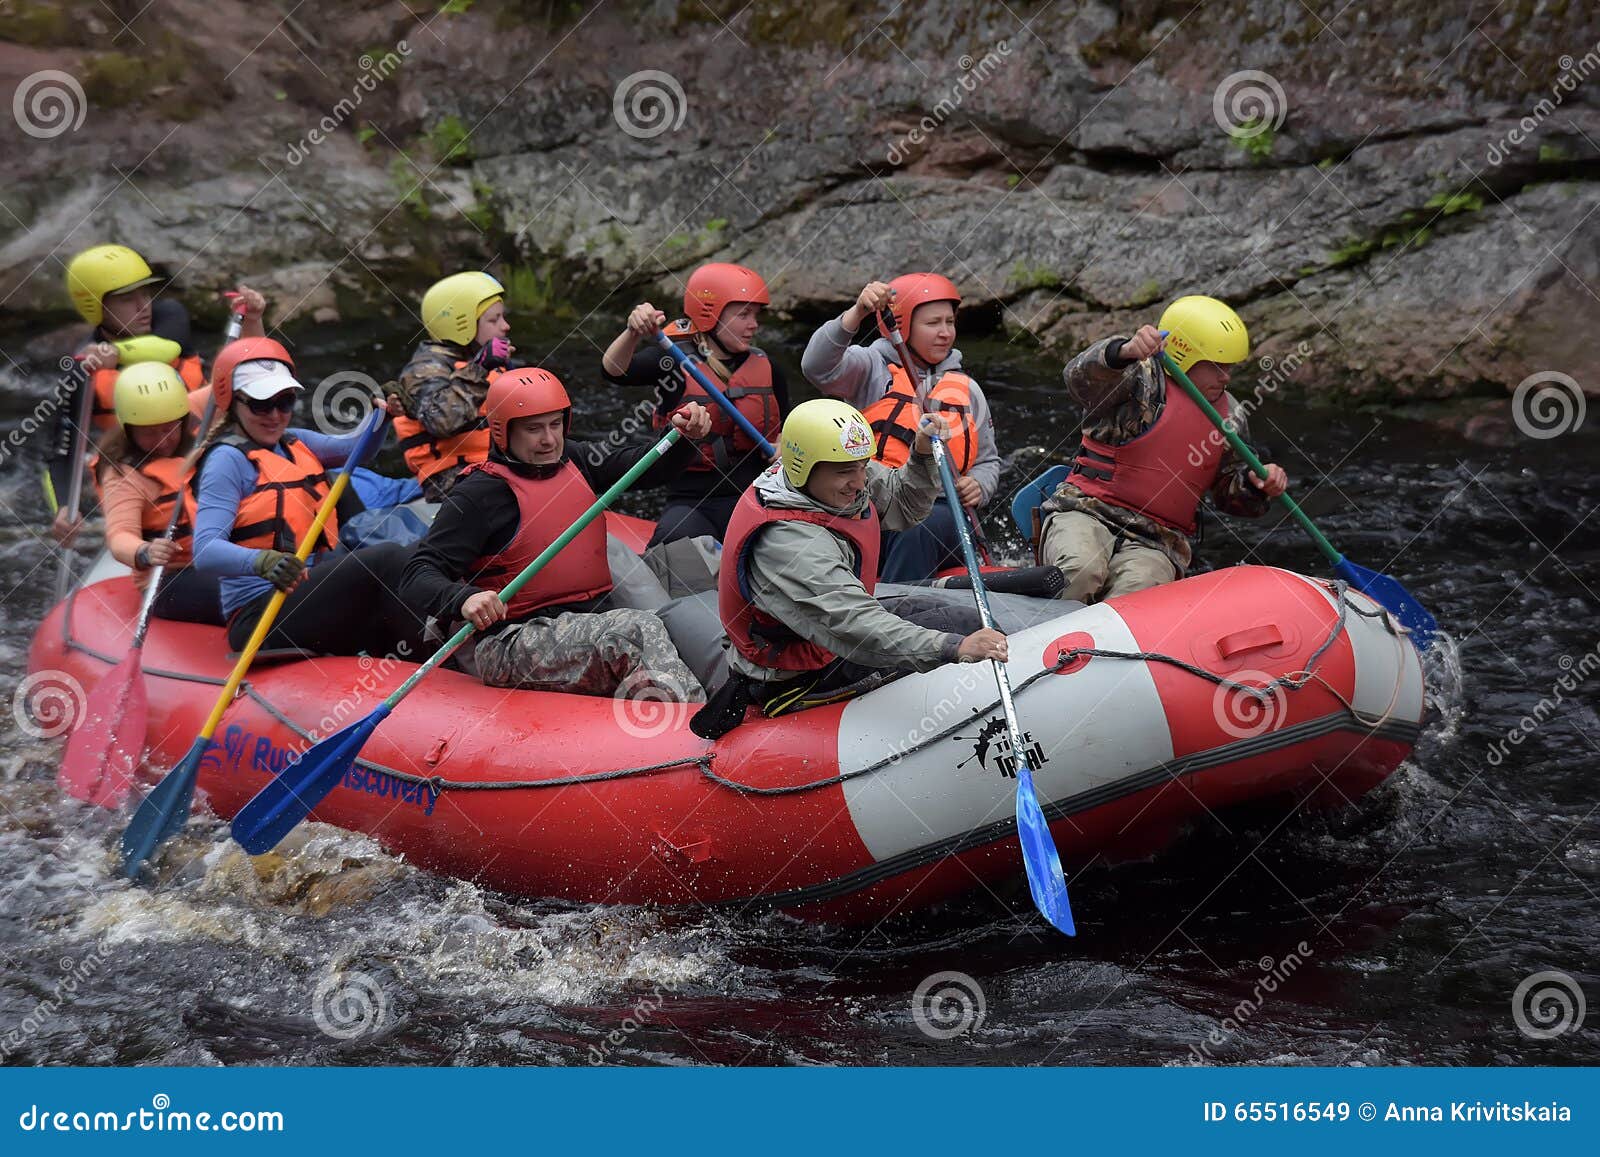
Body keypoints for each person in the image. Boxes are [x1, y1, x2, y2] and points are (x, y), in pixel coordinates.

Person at [691, 399, 1008, 739]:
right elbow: (854, 623)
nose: (859, 481)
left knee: (951, 615)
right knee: (960, 628)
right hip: (798, 677)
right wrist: (952, 648)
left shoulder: (825, 477)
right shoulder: (788, 544)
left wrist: (921, 455)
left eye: (861, 466)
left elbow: (903, 502)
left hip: (821, 642)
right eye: (845, 471)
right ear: (802, 466)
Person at [399, 367, 712, 699]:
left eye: (555, 425)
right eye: (533, 429)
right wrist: (464, 599)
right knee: (635, 631)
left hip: (588, 618)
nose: (549, 439)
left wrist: (683, 438)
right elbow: (417, 573)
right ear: (502, 432)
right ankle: (693, 732)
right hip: (513, 640)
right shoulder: (478, 495)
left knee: (684, 611)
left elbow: (643, 466)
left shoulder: (573, 459)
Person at [1038, 295, 1290, 603]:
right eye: (1215, 366)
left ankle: (1105, 648)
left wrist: (1256, 484)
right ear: (1183, 354)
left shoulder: (1232, 417)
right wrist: (1125, 351)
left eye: (1229, 367)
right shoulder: (1137, 378)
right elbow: (1078, 378)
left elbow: (1231, 495)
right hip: (1088, 510)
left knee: (1130, 599)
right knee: (1080, 573)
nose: (1226, 377)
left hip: (1158, 540)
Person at [190, 338, 422, 658]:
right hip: (259, 616)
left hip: (305, 593)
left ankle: (431, 657)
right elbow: (204, 551)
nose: (274, 414)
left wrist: (380, 413)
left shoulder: (294, 442)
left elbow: (357, 450)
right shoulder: (227, 460)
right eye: (261, 404)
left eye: (284, 401)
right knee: (386, 558)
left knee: (417, 553)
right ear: (232, 402)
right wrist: (261, 561)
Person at [51, 244, 265, 542]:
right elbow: (61, 452)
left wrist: (117, 353)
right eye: (127, 299)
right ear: (95, 307)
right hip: (143, 472)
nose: (143, 306)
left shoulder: (169, 317)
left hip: (205, 446)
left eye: (145, 294)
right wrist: (63, 507)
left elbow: (170, 347)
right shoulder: (83, 371)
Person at [800, 273, 1002, 582]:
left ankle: (904, 607)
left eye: (950, 322)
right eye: (933, 323)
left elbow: (987, 460)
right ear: (901, 325)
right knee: (907, 525)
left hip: (942, 512)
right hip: (878, 502)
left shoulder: (968, 389)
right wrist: (856, 314)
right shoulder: (870, 368)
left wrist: (979, 484)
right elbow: (816, 366)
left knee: (922, 526)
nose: (945, 333)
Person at [600, 263, 788, 545]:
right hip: (692, 501)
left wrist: (784, 445)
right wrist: (633, 332)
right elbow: (613, 371)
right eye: (743, 314)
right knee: (673, 546)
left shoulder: (768, 367)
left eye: (756, 314)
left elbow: (788, 423)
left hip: (754, 496)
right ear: (709, 314)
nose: (754, 324)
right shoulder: (672, 362)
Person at [93, 363, 224, 624]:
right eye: (149, 433)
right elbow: (120, 536)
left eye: (168, 429)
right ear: (129, 428)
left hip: (224, 559)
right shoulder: (122, 473)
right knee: (248, 590)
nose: (163, 440)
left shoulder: (188, 411)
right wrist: (145, 551)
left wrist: (252, 321)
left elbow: (233, 378)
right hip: (170, 579)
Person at [391, 271, 510, 501]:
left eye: (502, 317)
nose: (505, 326)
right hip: (452, 481)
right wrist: (480, 369)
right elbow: (440, 420)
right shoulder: (424, 370)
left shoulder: (481, 359)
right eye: (494, 320)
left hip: (495, 465)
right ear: (461, 325)